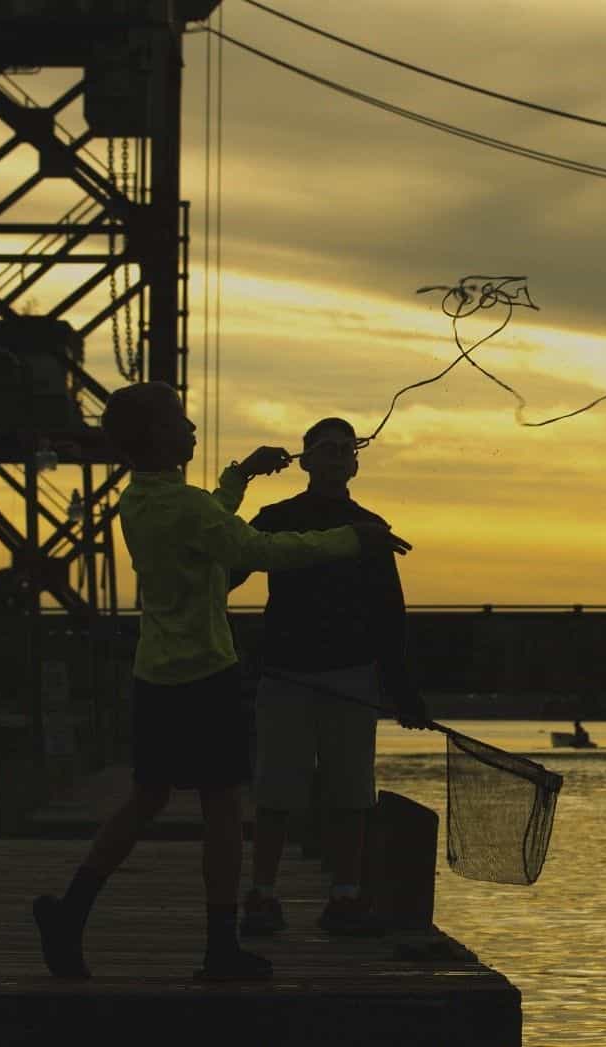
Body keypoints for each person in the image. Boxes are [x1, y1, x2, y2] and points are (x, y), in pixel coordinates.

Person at [31, 381, 407, 981]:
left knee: (146, 799)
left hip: (154, 675)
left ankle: (71, 911)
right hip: (206, 675)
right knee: (225, 809)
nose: (192, 427)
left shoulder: (141, 501)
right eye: (181, 420)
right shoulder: (187, 508)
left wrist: (242, 475)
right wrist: (352, 539)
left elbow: (210, 520)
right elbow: (259, 549)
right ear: (160, 437)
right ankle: (220, 947)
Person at [233, 417, 431, 938]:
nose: (338, 454)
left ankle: (345, 896)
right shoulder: (274, 518)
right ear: (305, 460)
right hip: (285, 675)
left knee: (351, 793)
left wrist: (402, 689)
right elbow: (227, 572)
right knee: (275, 793)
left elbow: (389, 614)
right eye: (327, 447)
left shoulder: (371, 527)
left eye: (346, 448)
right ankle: (262, 894)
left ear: (355, 464)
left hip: (352, 677)